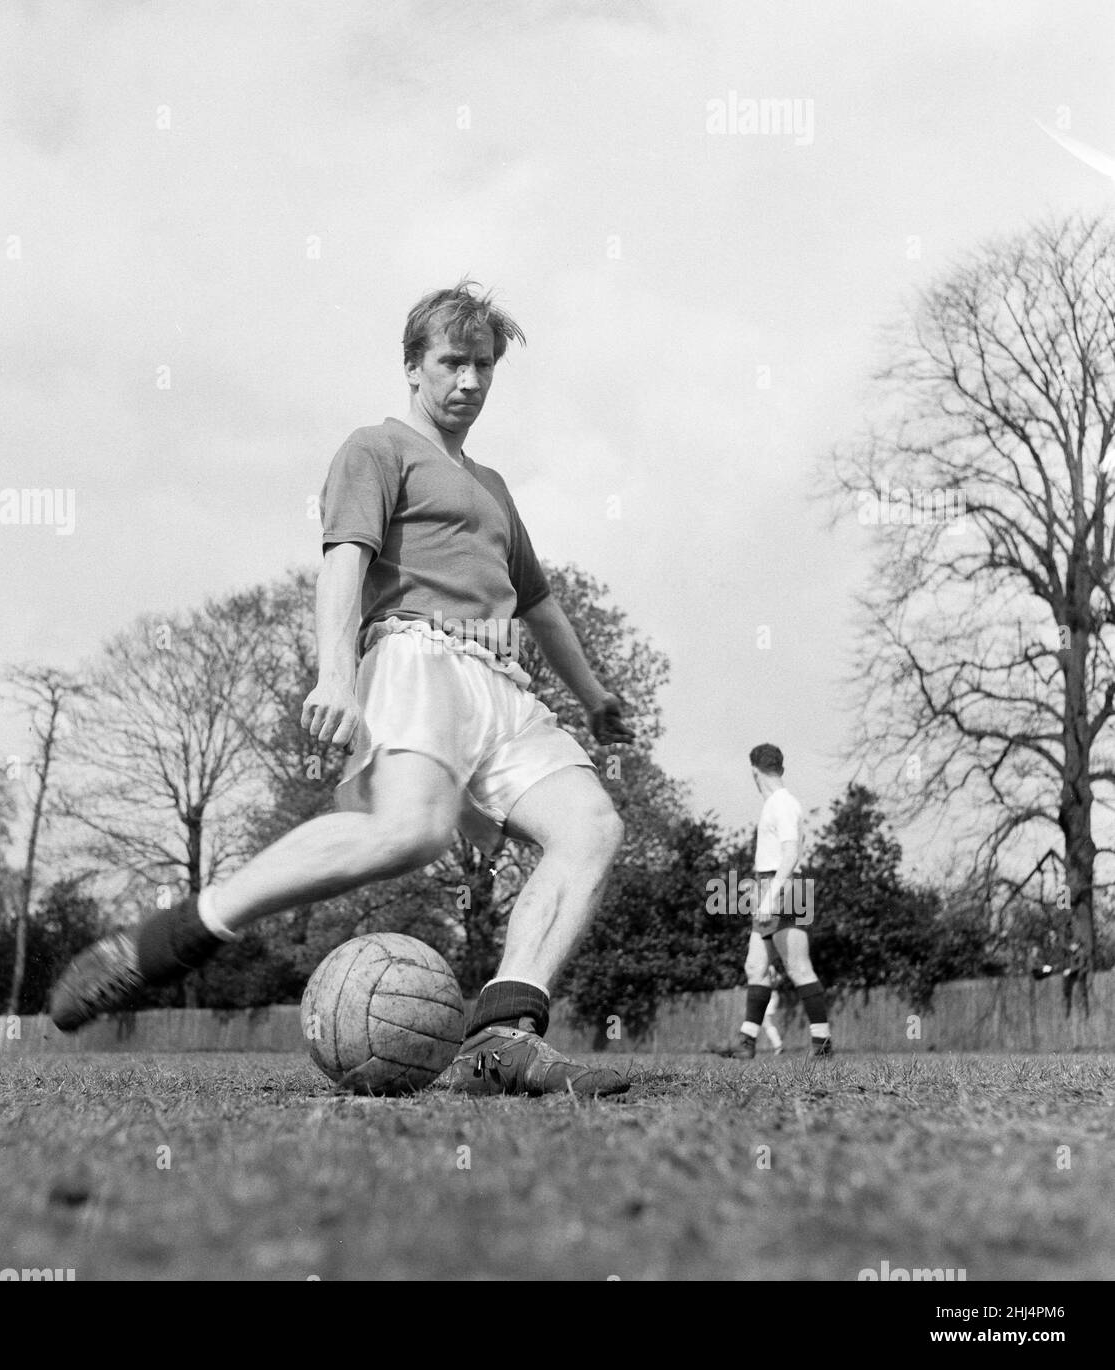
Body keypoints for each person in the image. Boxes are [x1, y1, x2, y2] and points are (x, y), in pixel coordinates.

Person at [49, 279, 636, 1096]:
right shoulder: (376, 449)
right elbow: (344, 560)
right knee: (412, 833)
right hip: (417, 656)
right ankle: (173, 937)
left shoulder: (495, 489)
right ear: (412, 366)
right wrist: (336, 673)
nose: (469, 382)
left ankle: (501, 1036)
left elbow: (539, 605)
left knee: (591, 827)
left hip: (504, 682)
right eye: (453, 363)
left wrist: (595, 693)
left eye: (485, 368)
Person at [719, 744, 832, 1059]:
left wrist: (770, 896)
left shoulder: (783, 803)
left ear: (754, 771)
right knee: (755, 966)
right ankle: (747, 1042)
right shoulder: (774, 804)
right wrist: (756, 889)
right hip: (769, 884)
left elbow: (791, 854)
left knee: (798, 967)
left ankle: (822, 1044)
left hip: (786, 888)